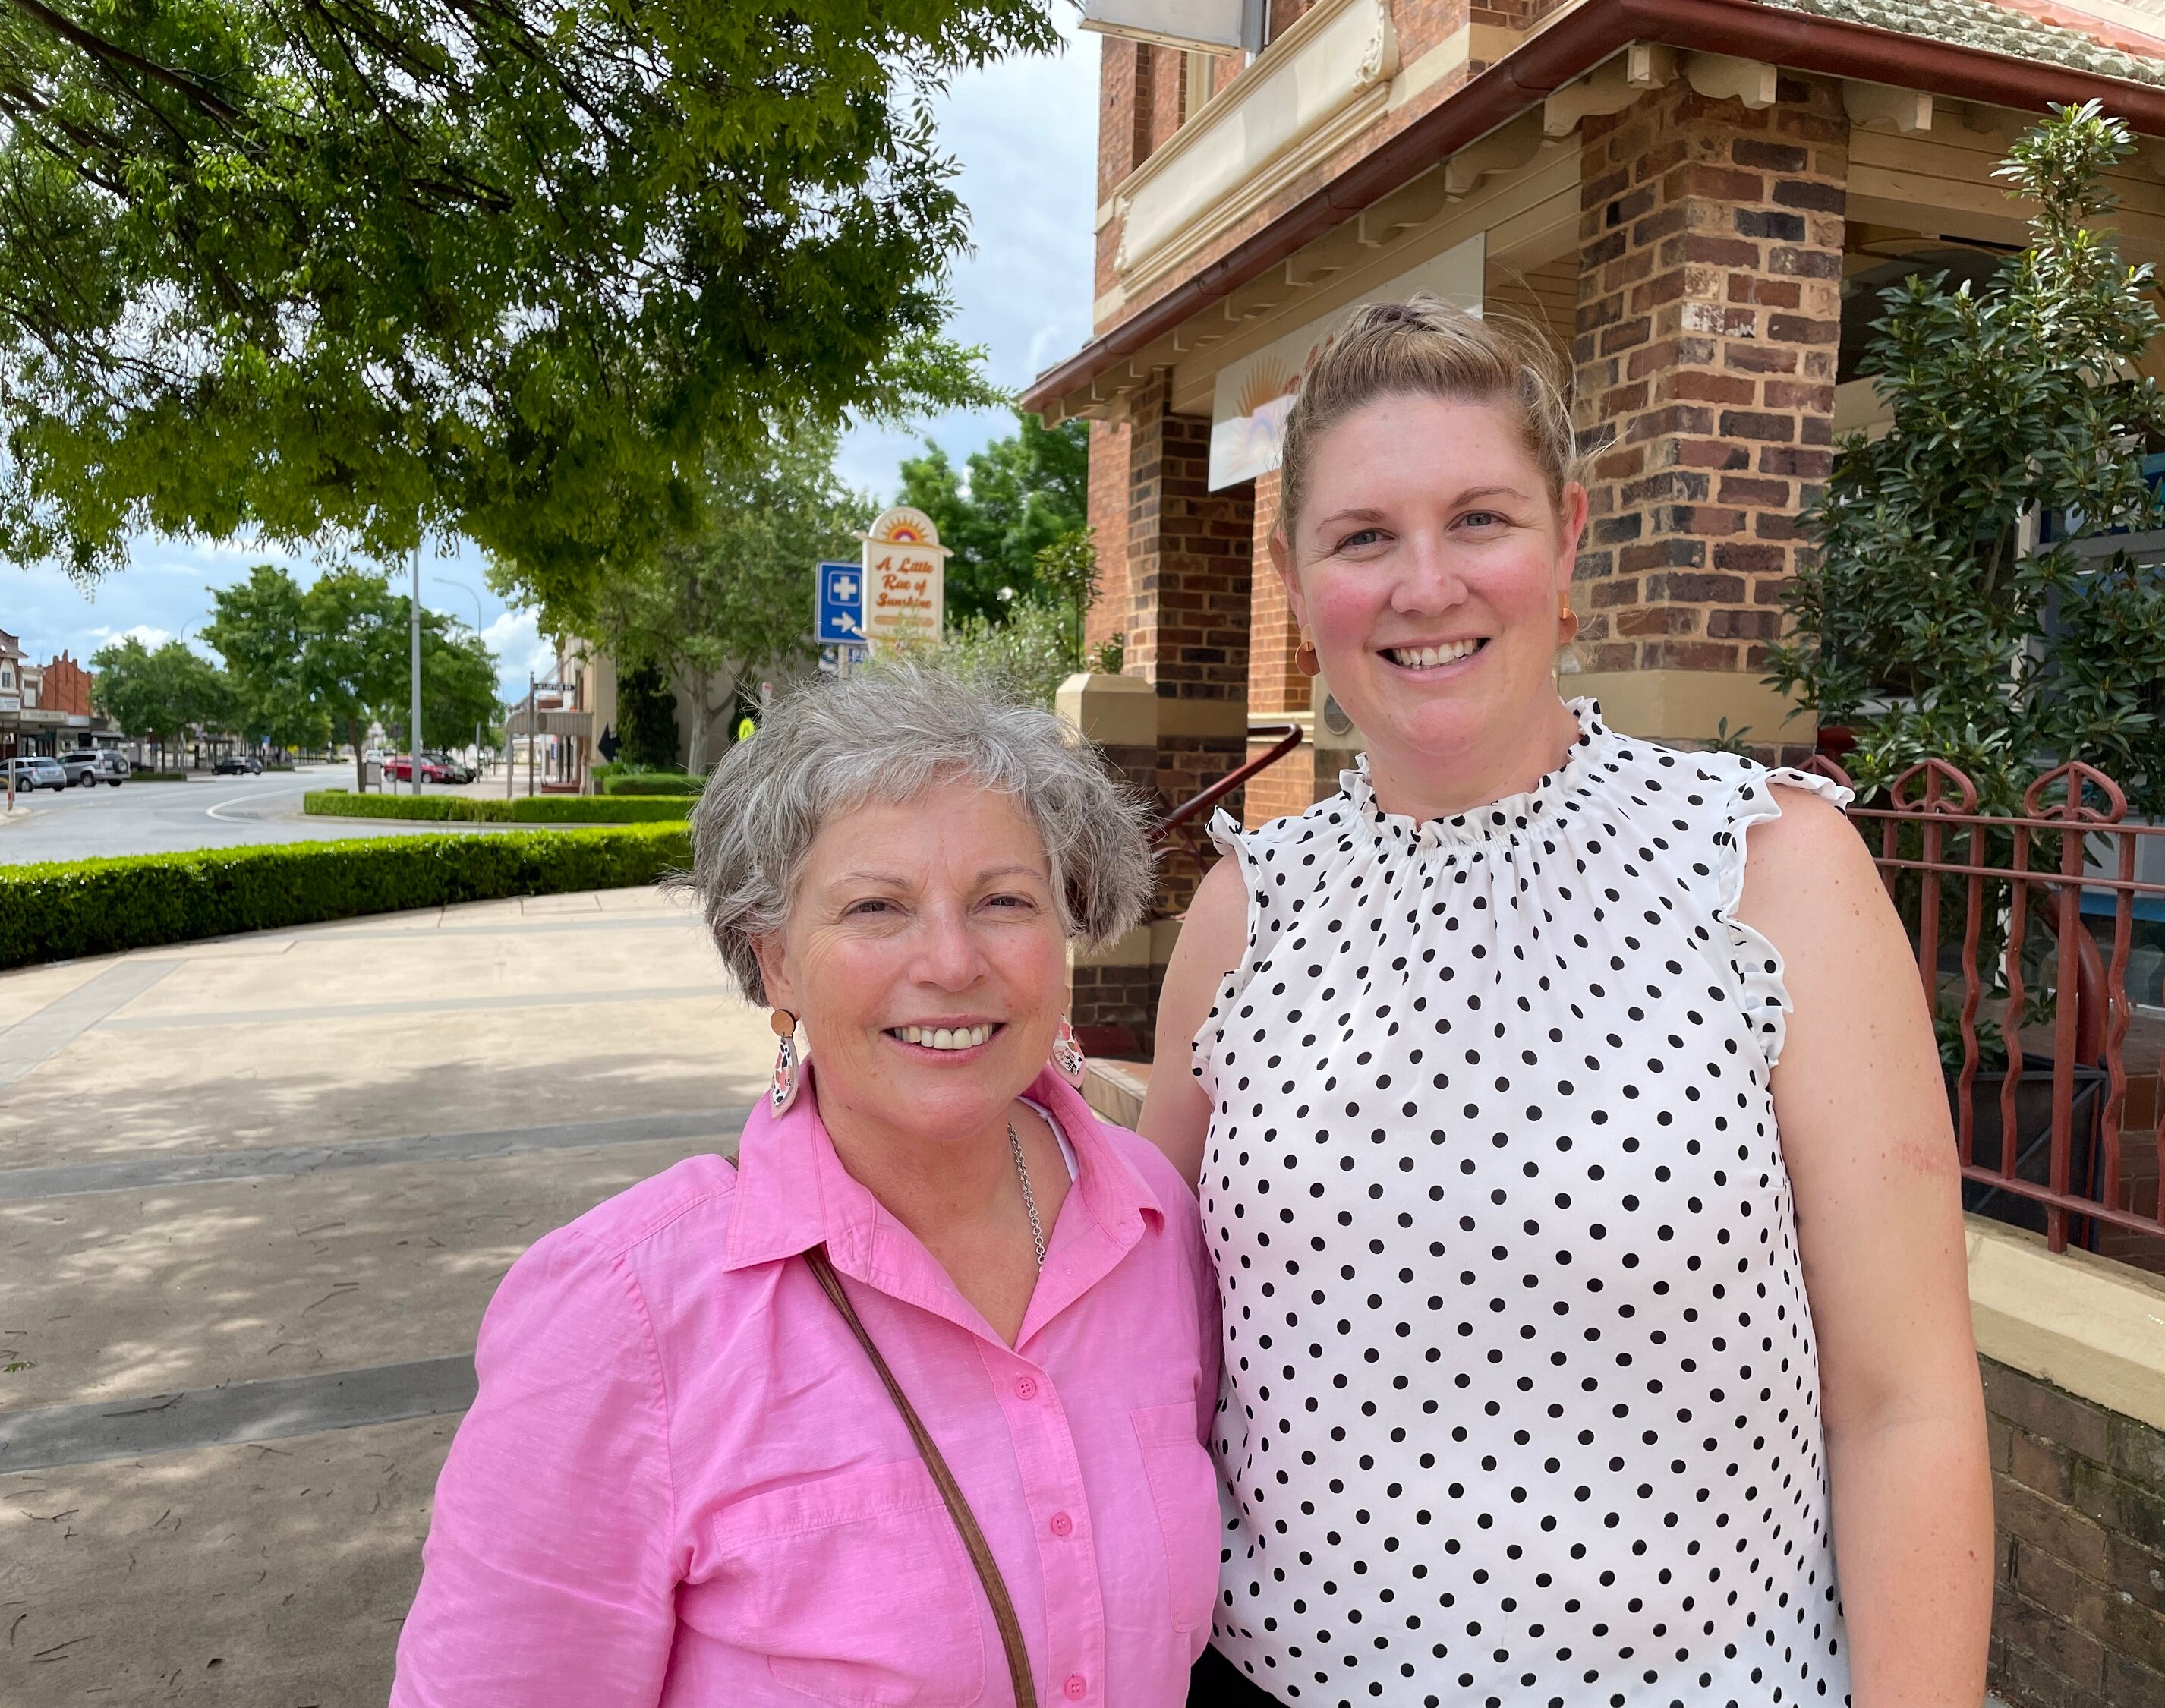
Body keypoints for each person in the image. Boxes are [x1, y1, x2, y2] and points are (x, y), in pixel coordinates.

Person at [1143, 298, 1993, 1706]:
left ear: (1569, 540)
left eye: (1479, 519)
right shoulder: (1247, 911)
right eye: (1364, 537)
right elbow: (1142, 1333)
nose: (1426, 584)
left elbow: (1903, 1402)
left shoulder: (1770, 870)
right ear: (1295, 580)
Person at [393, 666, 1223, 1707]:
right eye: (876, 907)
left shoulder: (1154, 1221)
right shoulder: (622, 1318)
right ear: (776, 962)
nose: (951, 961)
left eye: (1004, 901)